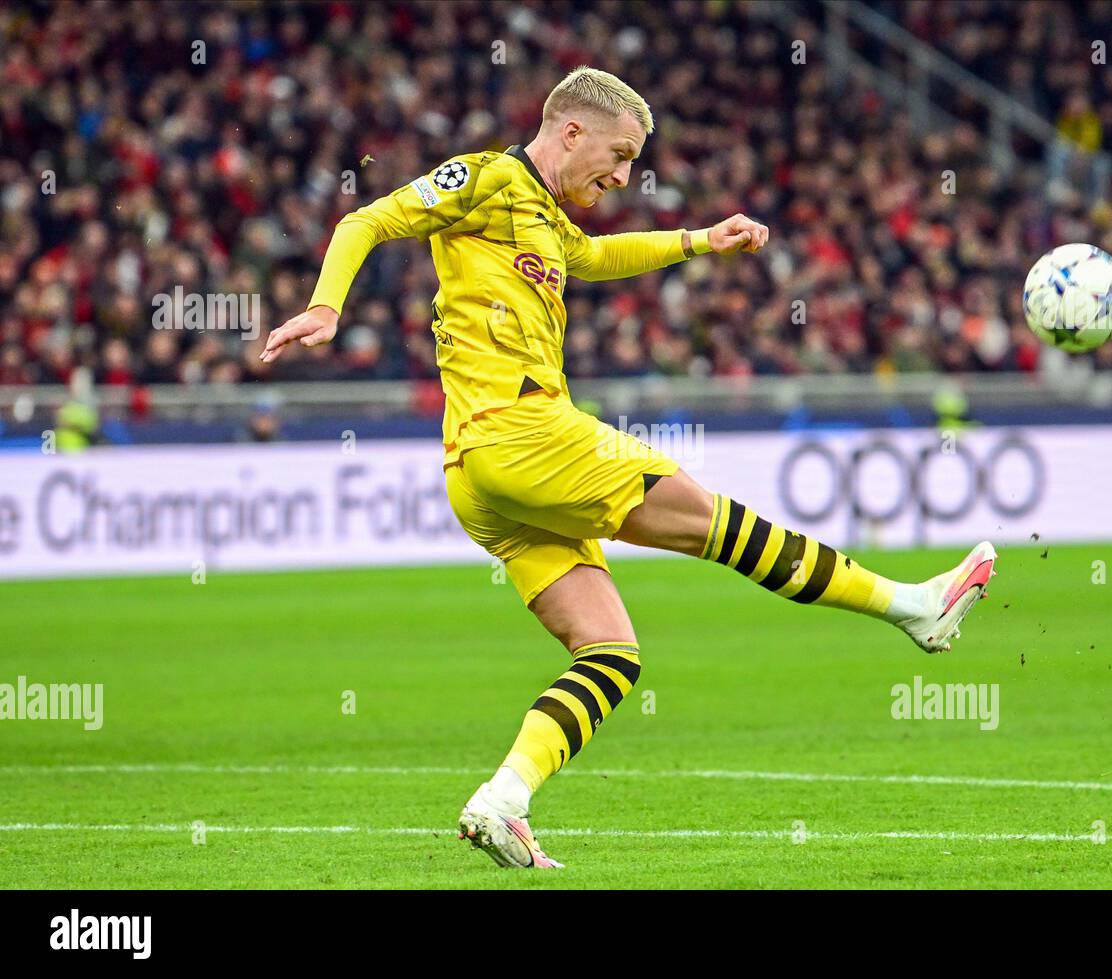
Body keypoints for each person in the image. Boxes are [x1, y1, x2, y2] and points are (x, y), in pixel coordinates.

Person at [260, 67, 997, 869]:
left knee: (611, 651)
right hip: (521, 429)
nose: (621, 176)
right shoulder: (489, 178)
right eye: (618, 155)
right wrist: (328, 305)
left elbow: (596, 256)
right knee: (711, 519)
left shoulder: (545, 219)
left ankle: (502, 799)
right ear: (570, 130)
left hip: (483, 478)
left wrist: (698, 240)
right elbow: (367, 219)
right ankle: (910, 607)